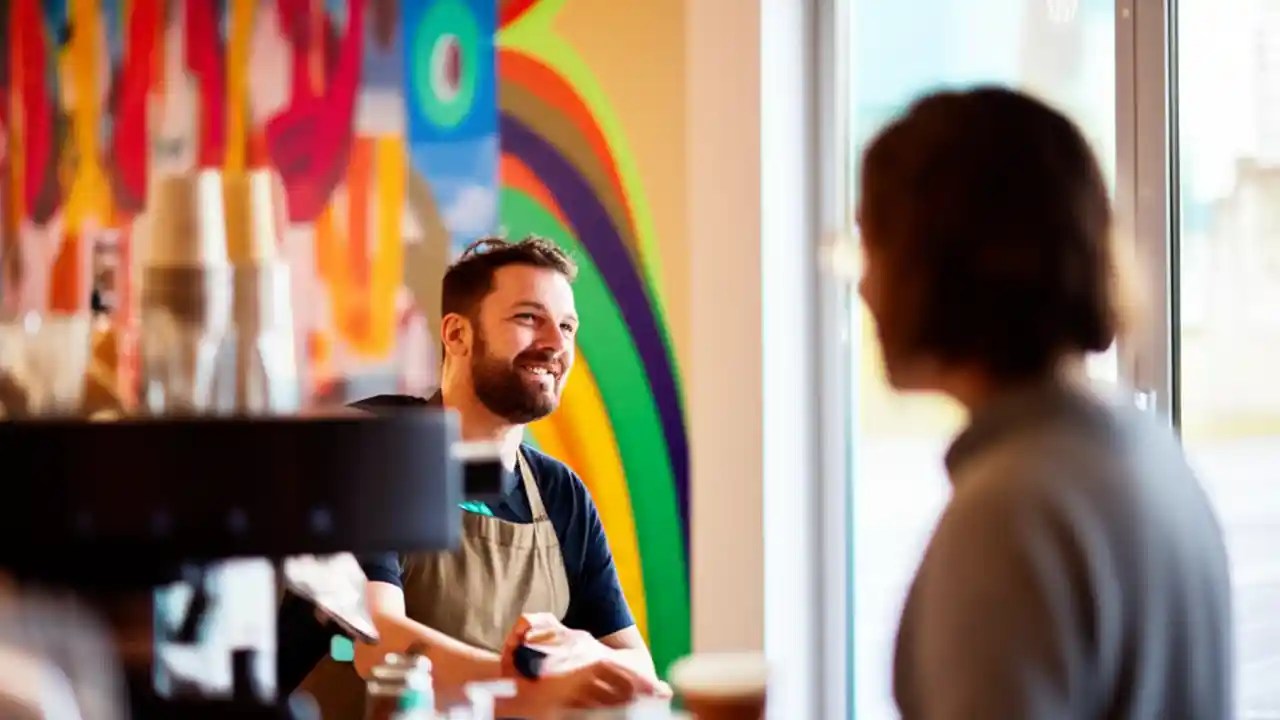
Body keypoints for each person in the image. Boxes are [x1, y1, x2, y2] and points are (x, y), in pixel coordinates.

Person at [857, 87, 1233, 719]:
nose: (865, 286)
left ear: (938, 260)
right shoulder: (1148, 452)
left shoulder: (1008, 516)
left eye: (873, 246)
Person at [291, 236, 664, 717]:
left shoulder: (561, 495)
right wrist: (523, 689)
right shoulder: (373, 448)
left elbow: (642, 677)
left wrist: (583, 653)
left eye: (567, 326)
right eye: (529, 318)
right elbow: (378, 640)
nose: (556, 343)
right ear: (456, 335)